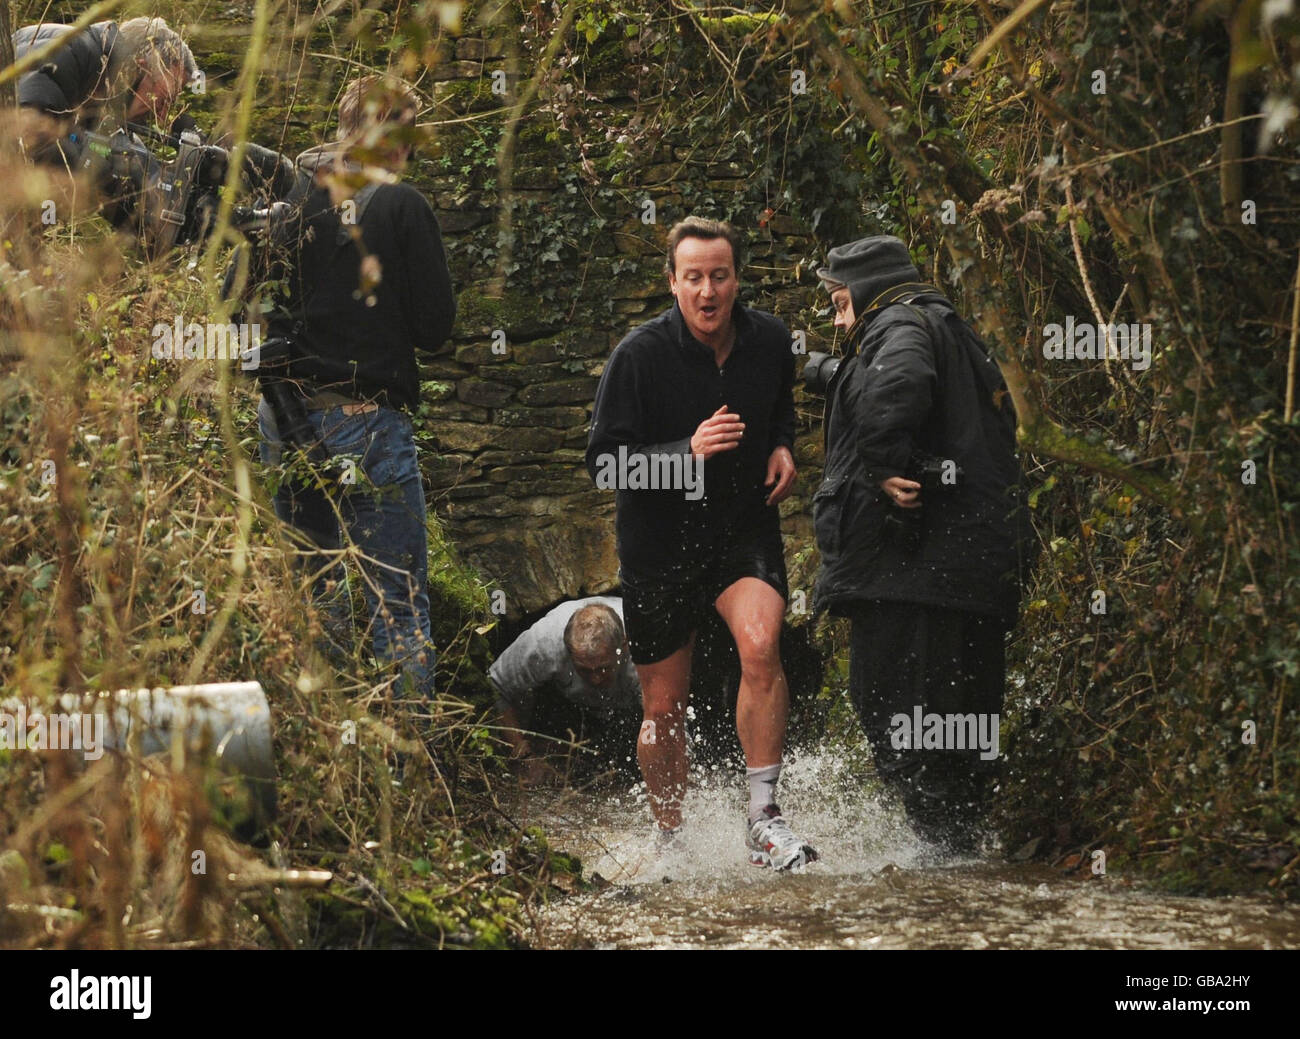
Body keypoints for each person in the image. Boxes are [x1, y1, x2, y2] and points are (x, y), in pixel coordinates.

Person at [585, 216, 817, 870]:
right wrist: (684, 453)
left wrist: (782, 447)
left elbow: (780, 412)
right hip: (659, 546)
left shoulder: (770, 339)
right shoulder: (638, 356)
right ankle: (671, 835)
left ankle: (763, 817)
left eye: (720, 276)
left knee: (762, 645)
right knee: (664, 706)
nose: (708, 291)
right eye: (694, 278)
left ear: (736, 279)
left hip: (741, 529)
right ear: (673, 282)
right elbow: (604, 466)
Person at [811, 235, 1033, 852]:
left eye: (838, 304)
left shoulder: (898, 322)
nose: (838, 322)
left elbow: (897, 382)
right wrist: (823, 374)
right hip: (970, 577)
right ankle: (964, 861)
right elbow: (888, 385)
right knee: (962, 731)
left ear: (862, 293)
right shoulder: (953, 331)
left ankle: (941, 861)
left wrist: (883, 464)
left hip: (911, 576)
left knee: (893, 712)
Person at [250, 75, 456, 700]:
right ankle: (409, 772)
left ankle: (339, 772)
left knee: (314, 601)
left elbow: (249, 309)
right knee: (395, 600)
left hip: (283, 422)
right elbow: (435, 329)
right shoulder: (402, 205)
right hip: (365, 421)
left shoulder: (285, 201)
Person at [490, 598, 642, 784]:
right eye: (585, 670)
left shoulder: (646, 649)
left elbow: (668, 718)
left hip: (636, 705)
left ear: (623, 647)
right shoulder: (545, 644)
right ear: (567, 651)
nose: (595, 679)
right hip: (568, 707)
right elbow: (495, 686)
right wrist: (522, 754)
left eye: (603, 668)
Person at [11, 17, 196, 159]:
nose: (161, 117)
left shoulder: (101, 86)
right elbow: (26, 133)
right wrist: (100, 163)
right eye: (163, 100)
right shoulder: (71, 52)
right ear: (140, 68)